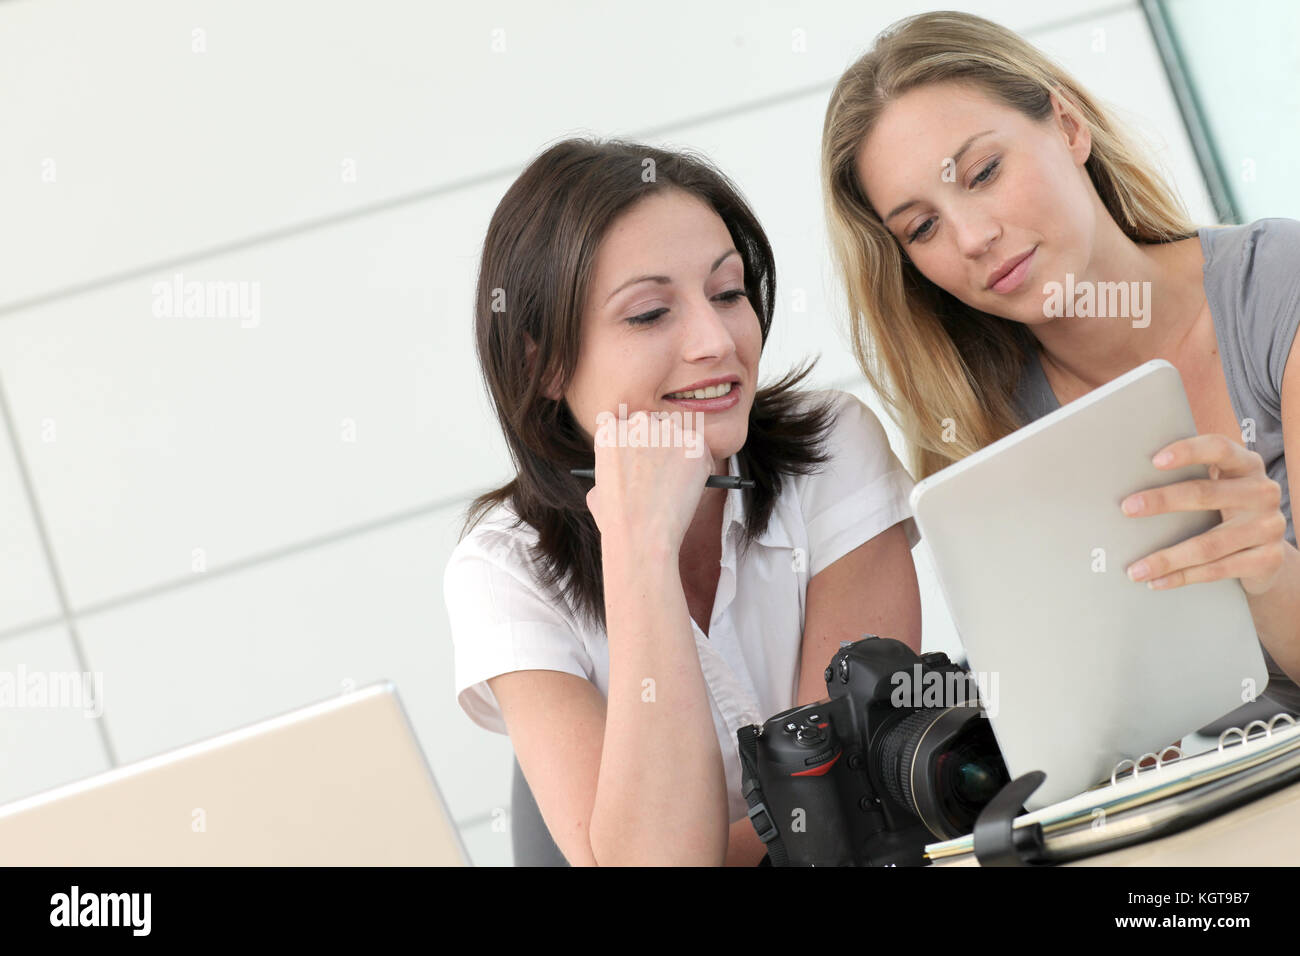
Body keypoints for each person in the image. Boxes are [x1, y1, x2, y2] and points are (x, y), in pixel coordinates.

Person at [443, 138, 922, 866]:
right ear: (542, 363)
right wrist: (640, 548)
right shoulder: (504, 569)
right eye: (649, 313)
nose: (715, 341)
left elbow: (845, 809)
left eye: (728, 293)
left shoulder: (833, 448)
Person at [820, 11, 1300, 717]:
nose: (975, 237)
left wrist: (1270, 573)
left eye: (984, 172)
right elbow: (1065, 726)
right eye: (922, 227)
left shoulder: (1276, 287)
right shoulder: (983, 429)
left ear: (1069, 126)